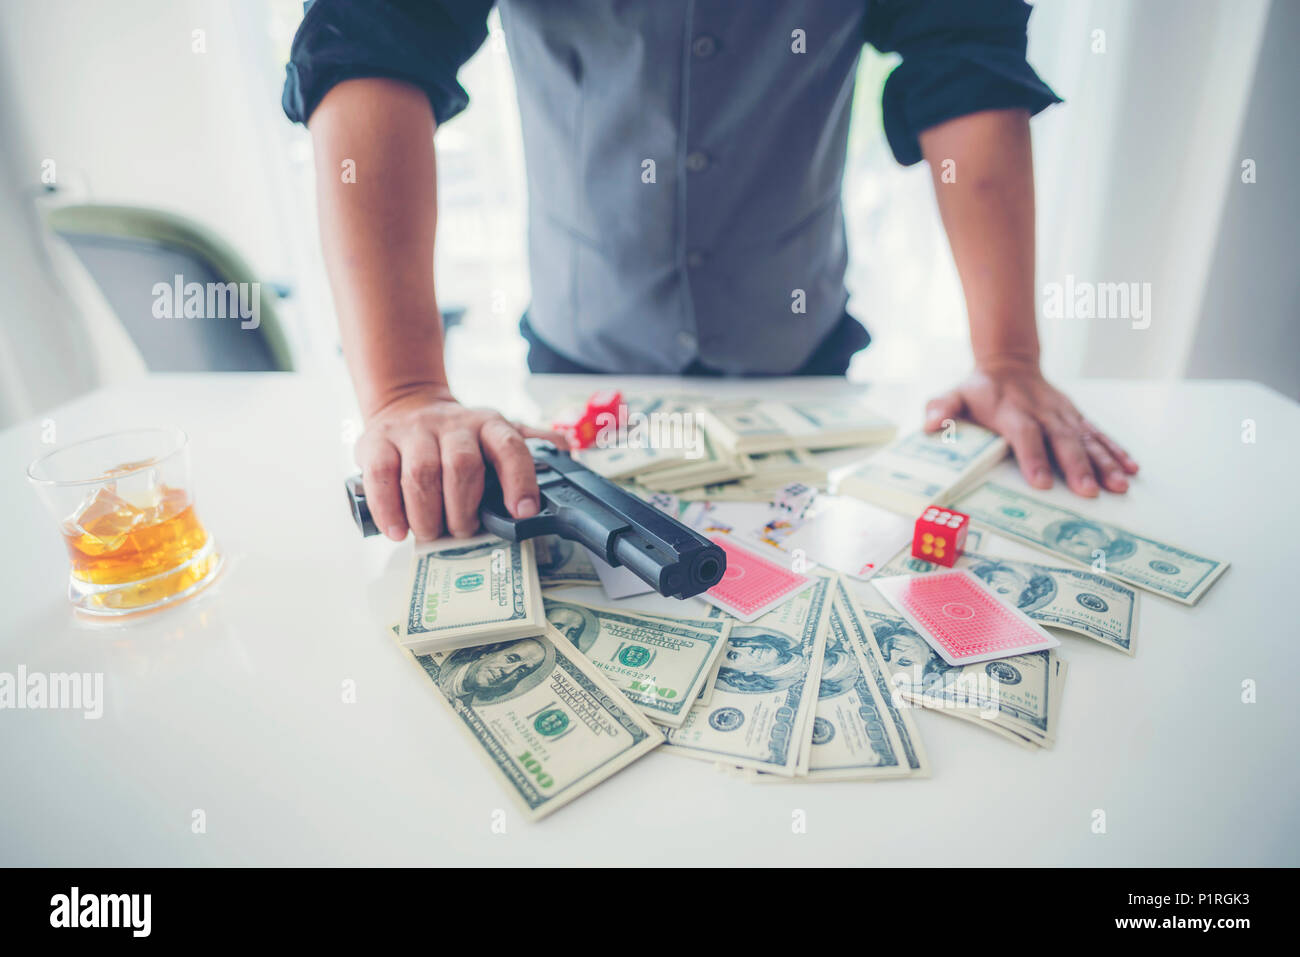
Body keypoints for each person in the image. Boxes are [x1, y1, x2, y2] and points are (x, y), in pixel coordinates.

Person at [283, 0, 1140, 543]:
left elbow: (964, 59)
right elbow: (373, 38)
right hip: (575, 366)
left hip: (804, 364)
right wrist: (404, 390)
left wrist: (1009, 357)